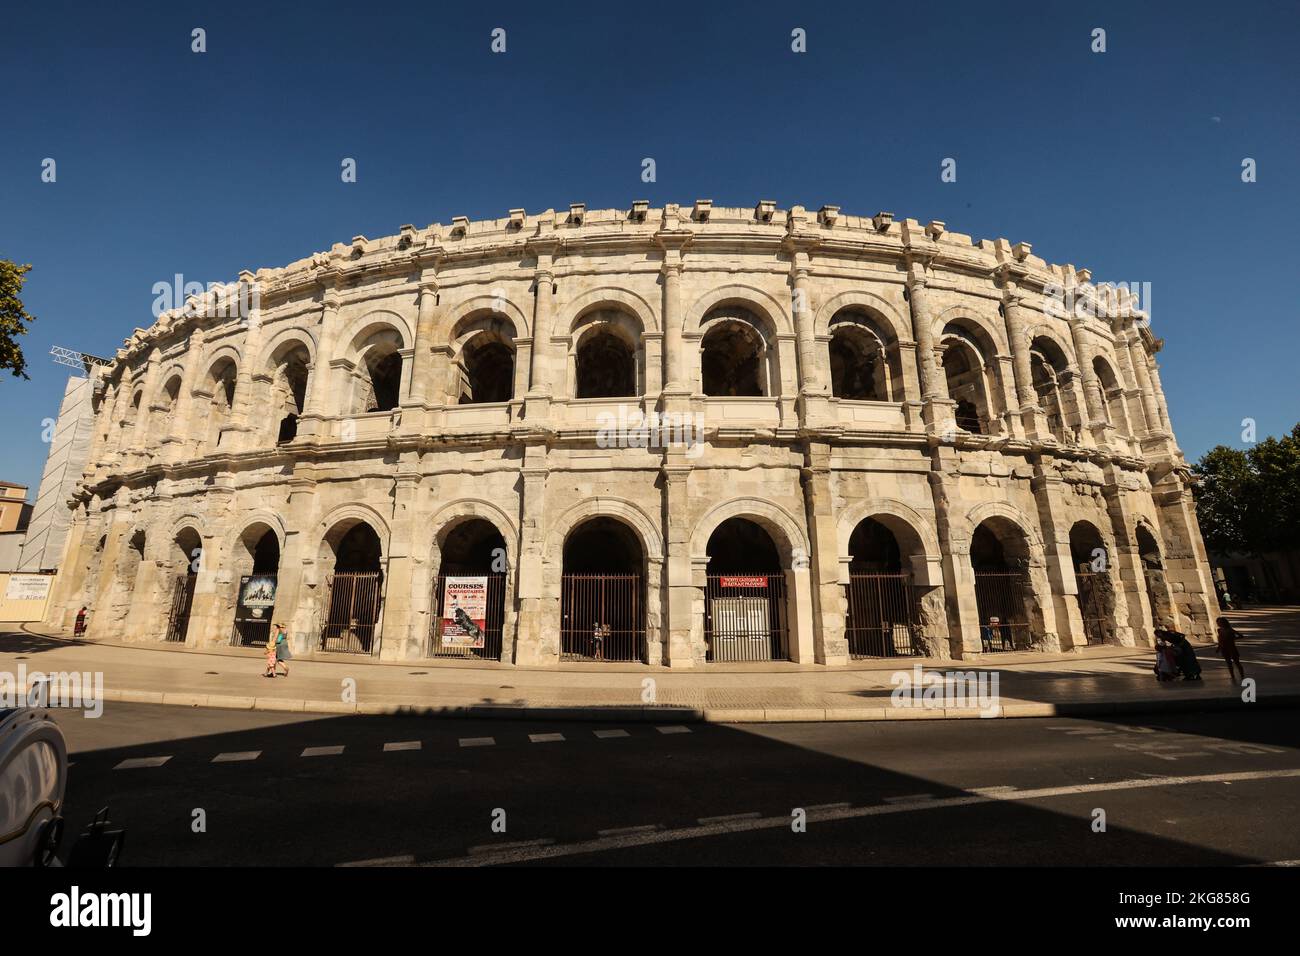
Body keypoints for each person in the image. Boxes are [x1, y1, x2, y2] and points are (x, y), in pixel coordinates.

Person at [1215, 616, 1245, 683]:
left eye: (1219, 622)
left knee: (1237, 662)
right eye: (1217, 622)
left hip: (1231, 648)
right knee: (1228, 663)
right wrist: (1218, 648)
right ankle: (1232, 676)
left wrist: (1232, 639)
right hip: (1224, 648)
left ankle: (1242, 676)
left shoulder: (1230, 630)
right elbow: (1220, 640)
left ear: (1224, 623)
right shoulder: (1219, 630)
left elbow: (1241, 636)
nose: (1218, 624)